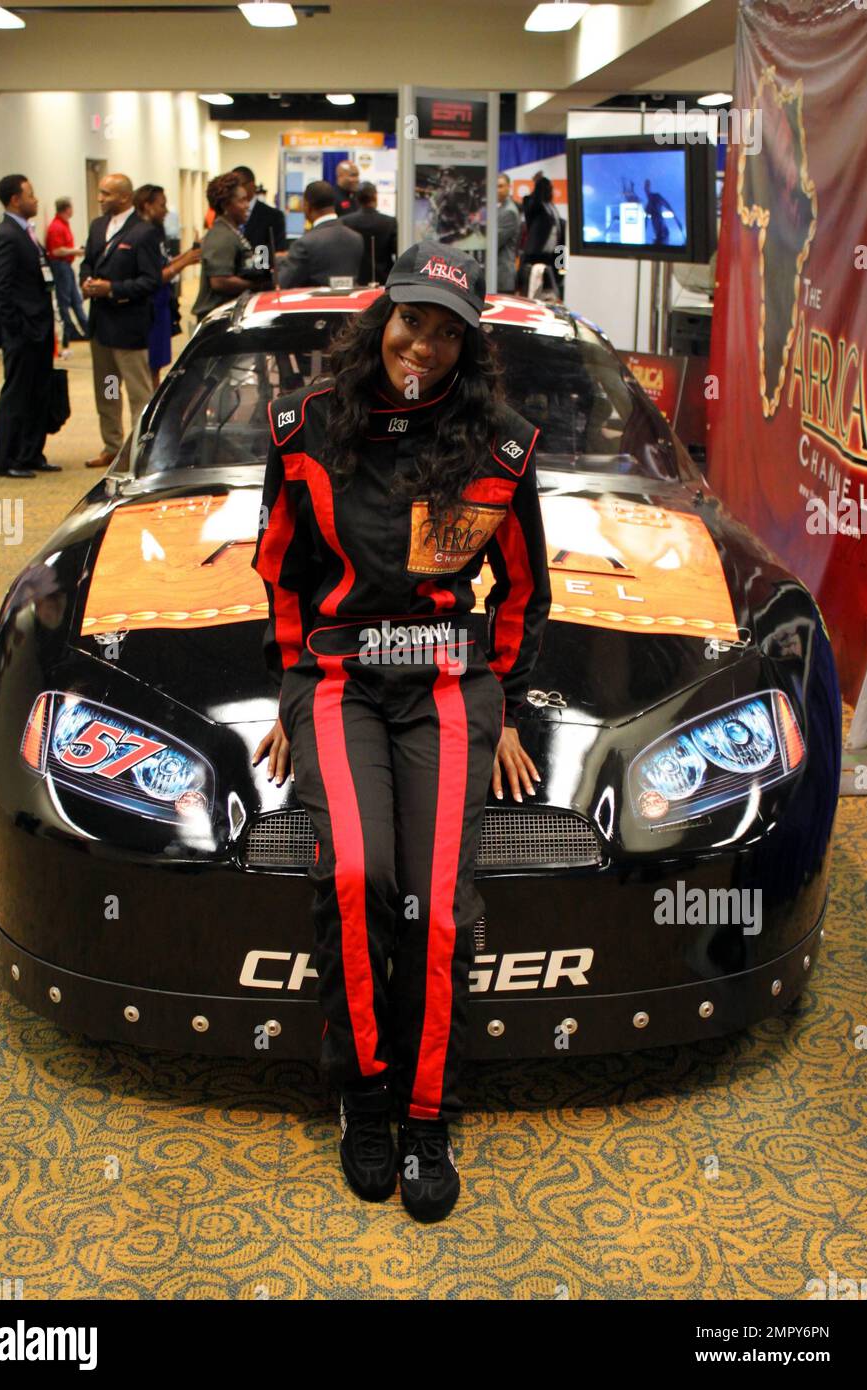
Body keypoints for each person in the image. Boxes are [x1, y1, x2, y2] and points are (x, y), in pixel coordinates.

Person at [251, 241, 551, 1222]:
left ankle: (426, 1113)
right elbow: (279, 568)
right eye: (410, 317)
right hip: (338, 677)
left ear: (468, 348)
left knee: (436, 907)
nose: (420, 341)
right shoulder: (303, 428)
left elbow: (522, 590)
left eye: (445, 330)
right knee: (356, 876)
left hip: (441, 684)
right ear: (380, 319)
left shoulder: (499, 445)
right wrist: (293, 685)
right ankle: (363, 1096)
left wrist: (497, 699)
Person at [80, 172, 162, 469]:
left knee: (138, 393)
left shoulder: (144, 232)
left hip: (129, 327)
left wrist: (112, 289)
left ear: (125, 197)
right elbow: (88, 261)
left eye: (106, 194)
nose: (100, 198)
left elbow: (151, 281)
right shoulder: (97, 225)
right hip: (101, 327)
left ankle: (141, 452)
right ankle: (112, 446)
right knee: (108, 388)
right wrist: (86, 281)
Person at [0, 174, 60, 478]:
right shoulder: (5, 235)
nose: (36, 199)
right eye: (31, 194)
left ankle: (31, 454)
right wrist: (18, 328)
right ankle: (7, 460)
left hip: (39, 329)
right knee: (17, 395)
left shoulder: (26, 232)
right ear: (15, 200)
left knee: (38, 393)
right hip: (22, 332)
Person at [133, 183, 200, 387]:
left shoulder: (156, 233)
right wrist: (186, 261)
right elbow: (154, 276)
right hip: (149, 307)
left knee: (156, 364)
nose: (165, 211)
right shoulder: (142, 235)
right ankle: (149, 403)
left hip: (162, 304)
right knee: (148, 365)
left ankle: (153, 396)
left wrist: (188, 256)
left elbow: (164, 264)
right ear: (147, 205)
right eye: (161, 206)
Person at [191, 172, 267, 322]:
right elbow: (219, 281)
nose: (247, 206)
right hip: (217, 316)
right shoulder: (221, 235)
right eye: (242, 201)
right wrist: (256, 285)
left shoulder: (231, 230)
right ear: (226, 205)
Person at [275, 180, 364, 289]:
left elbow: (284, 283)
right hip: (349, 305)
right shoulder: (356, 238)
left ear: (307, 206)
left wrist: (280, 261)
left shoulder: (305, 243)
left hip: (315, 305)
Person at [45, 196, 89, 352]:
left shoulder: (64, 225)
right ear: (67, 209)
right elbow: (57, 250)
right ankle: (70, 331)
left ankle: (87, 328)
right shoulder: (56, 227)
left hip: (66, 265)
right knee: (65, 300)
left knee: (76, 299)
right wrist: (77, 251)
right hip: (60, 266)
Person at [342, 181, 397, 284]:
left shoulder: (345, 222)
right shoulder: (389, 222)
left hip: (355, 282)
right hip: (384, 280)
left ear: (357, 199)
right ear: (375, 197)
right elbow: (398, 251)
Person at [519, 174, 563, 299]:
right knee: (532, 294)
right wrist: (538, 185)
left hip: (552, 257)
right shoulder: (531, 202)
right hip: (535, 257)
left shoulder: (552, 207)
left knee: (552, 295)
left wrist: (562, 266)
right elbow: (531, 207)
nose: (550, 190)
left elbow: (559, 236)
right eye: (547, 187)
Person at [241, 179, 287, 289]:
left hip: (262, 282)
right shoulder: (225, 217)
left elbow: (278, 250)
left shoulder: (273, 215)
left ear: (251, 186)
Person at [496, 173, 521, 294]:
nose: (497, 190)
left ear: (508, 187)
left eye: (501, 186)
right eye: (495, 186)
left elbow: (495, 242)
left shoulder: (509, 211)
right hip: (499, 274)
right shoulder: (501, 208)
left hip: (502, 275)